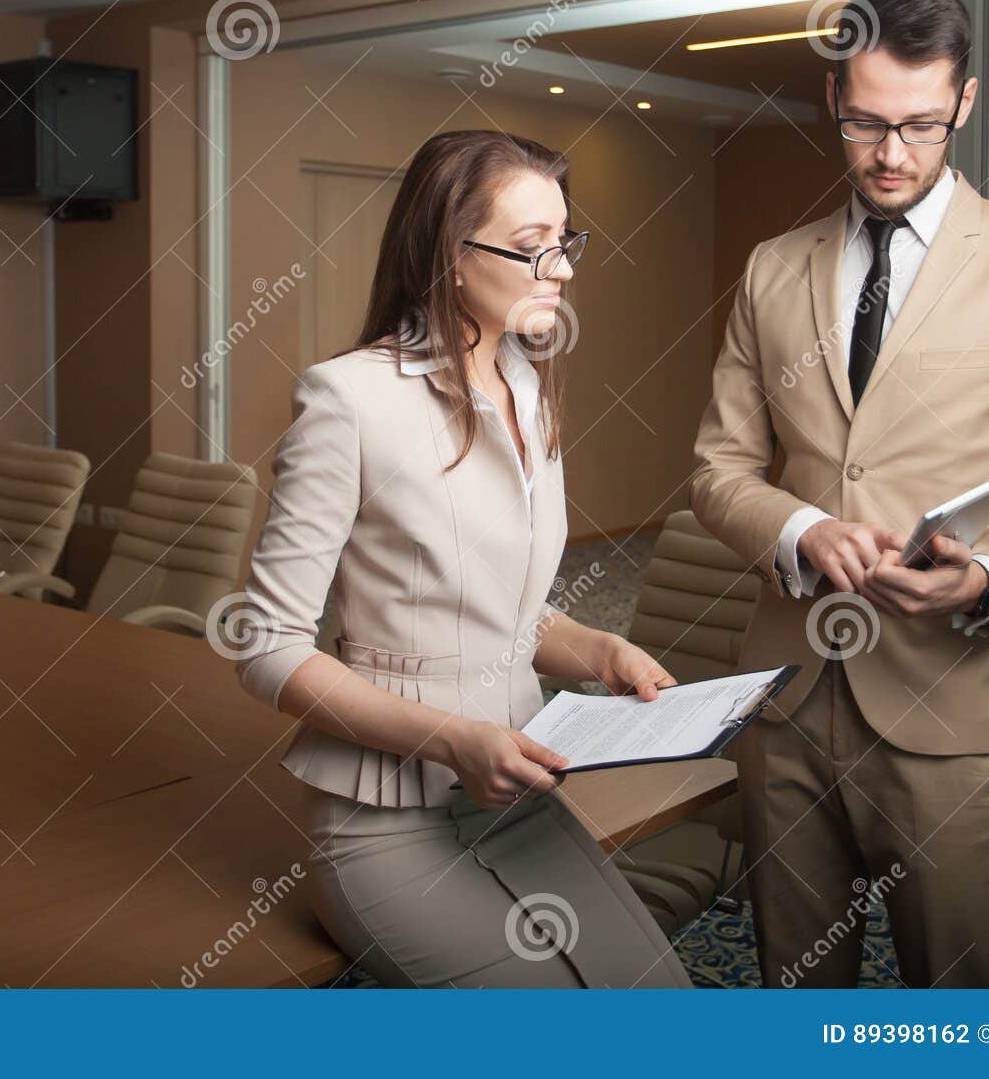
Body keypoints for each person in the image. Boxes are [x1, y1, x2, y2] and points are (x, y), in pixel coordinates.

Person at [689, 0, 989, 988]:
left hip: (955, 713)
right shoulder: (772, 268)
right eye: (863, 123)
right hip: (786, 705)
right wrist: (800, 527)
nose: (889, 153)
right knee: (797, 1001)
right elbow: (718, 470)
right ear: (832, 100)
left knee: (959, 1014)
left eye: (920, 125)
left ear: (964, 102)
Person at [233, 129, 692, 989]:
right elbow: (266, 646)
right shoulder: (350, 399)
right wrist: (453, 738)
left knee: (662, 999)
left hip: (517, 789)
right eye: (533, 247)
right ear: (450, 254)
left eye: (566, 241)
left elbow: (501, 609)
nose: (563, 269)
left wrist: (599, 650)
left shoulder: (530, 383)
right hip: (382, 819)